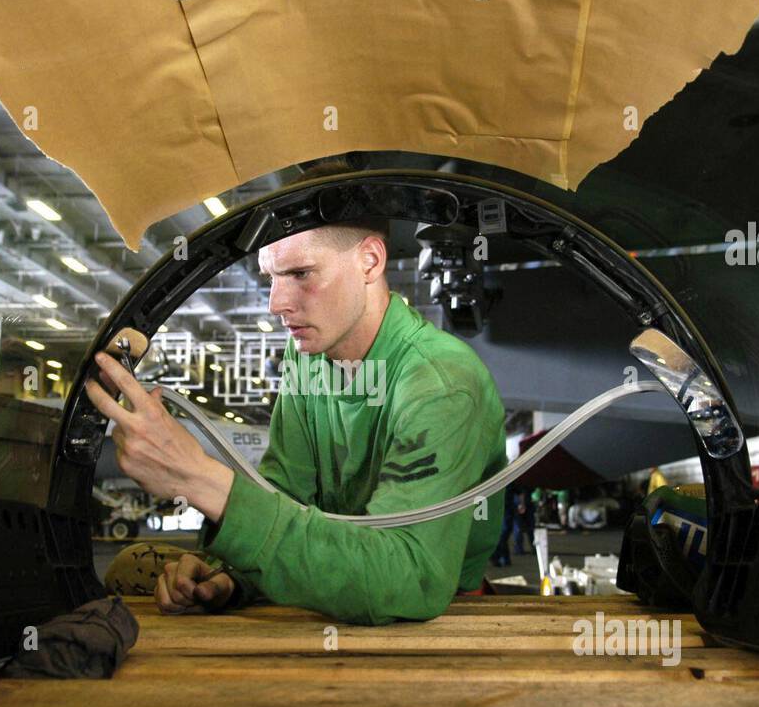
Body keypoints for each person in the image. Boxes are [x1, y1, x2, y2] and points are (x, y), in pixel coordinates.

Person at [87, 168, 507, 625]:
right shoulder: (310, 353)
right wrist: (229, 576)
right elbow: (284, 491)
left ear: (370, 261)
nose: (276, 303)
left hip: (433, 615)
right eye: (271, 276)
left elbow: (408, 579)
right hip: (337, 584)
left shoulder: (441, 382)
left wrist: (199, 481)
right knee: (132, 566)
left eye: (301, 273)